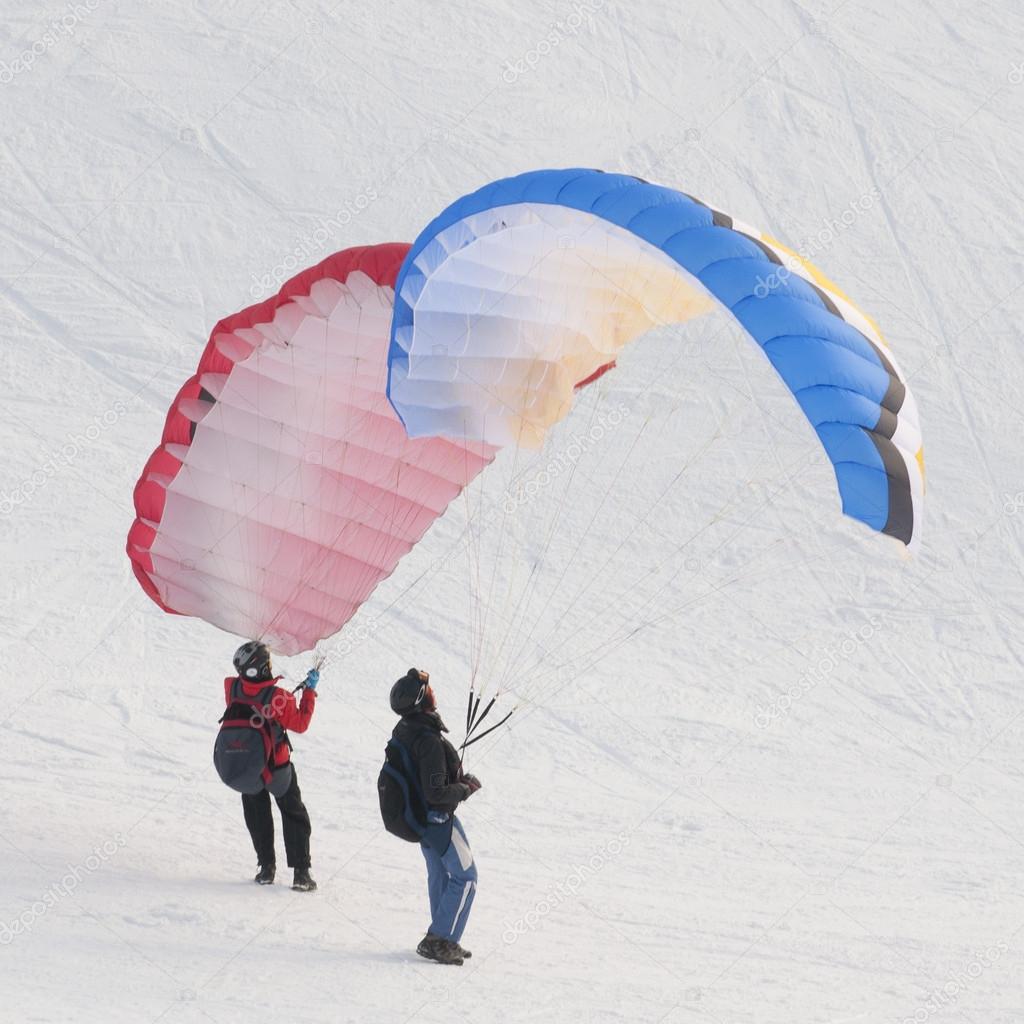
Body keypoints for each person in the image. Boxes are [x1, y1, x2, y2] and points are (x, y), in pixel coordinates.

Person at [389, 668, 482, 966]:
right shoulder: (427, 739)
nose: (433, 691)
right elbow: (436, 793)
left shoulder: (407, 727)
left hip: (422, 821)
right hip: (437, 819)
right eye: (427, 689)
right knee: (467, 877)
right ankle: (440, 938)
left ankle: (443, 938)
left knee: (440, 874)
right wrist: (465, 788)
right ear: (421, 699)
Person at [227, 641, 319, 892]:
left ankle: (266, 868)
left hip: (246, 767)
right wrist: (309, 692)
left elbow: (251, 694)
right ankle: (301, 874)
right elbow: (300, 724)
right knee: (294, 814)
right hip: (277, 769)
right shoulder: (279, 697)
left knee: (257, 815)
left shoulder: (232, 687)